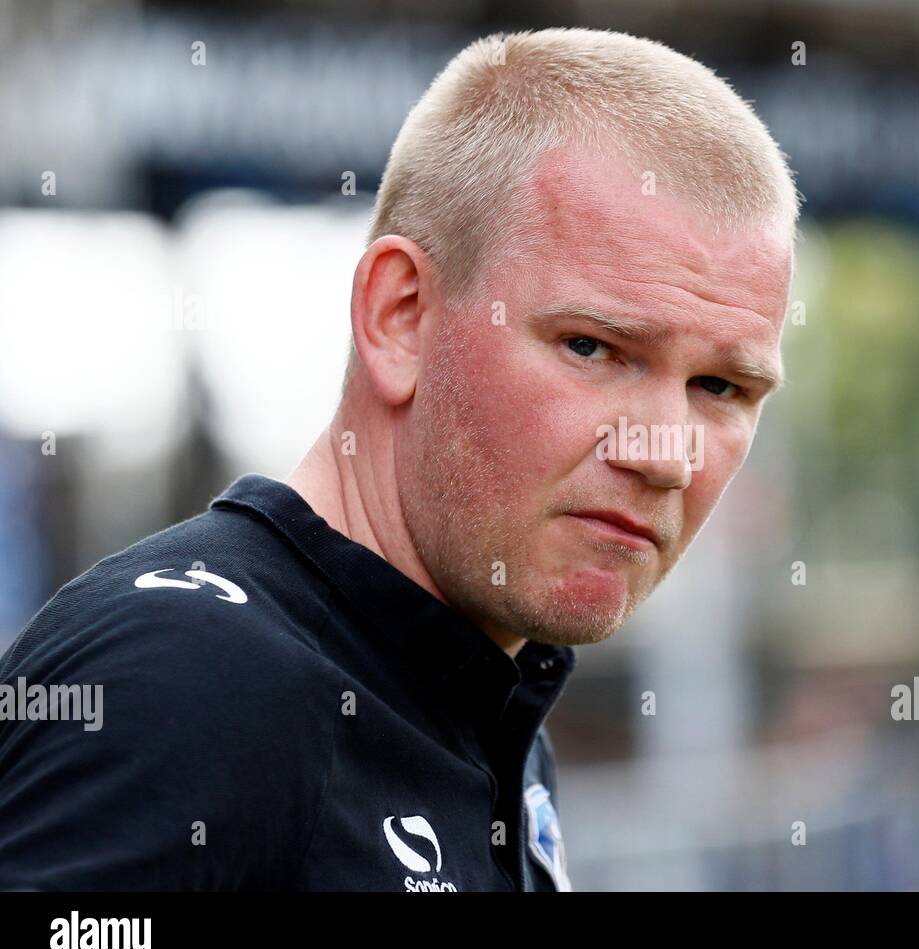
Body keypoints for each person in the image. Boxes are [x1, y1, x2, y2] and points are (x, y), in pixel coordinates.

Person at [0, 26, 799, 891]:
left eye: (720, 387)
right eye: (593, 348)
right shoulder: (189, 675)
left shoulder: (480, 706)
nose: (664, 454)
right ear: (400, 316)